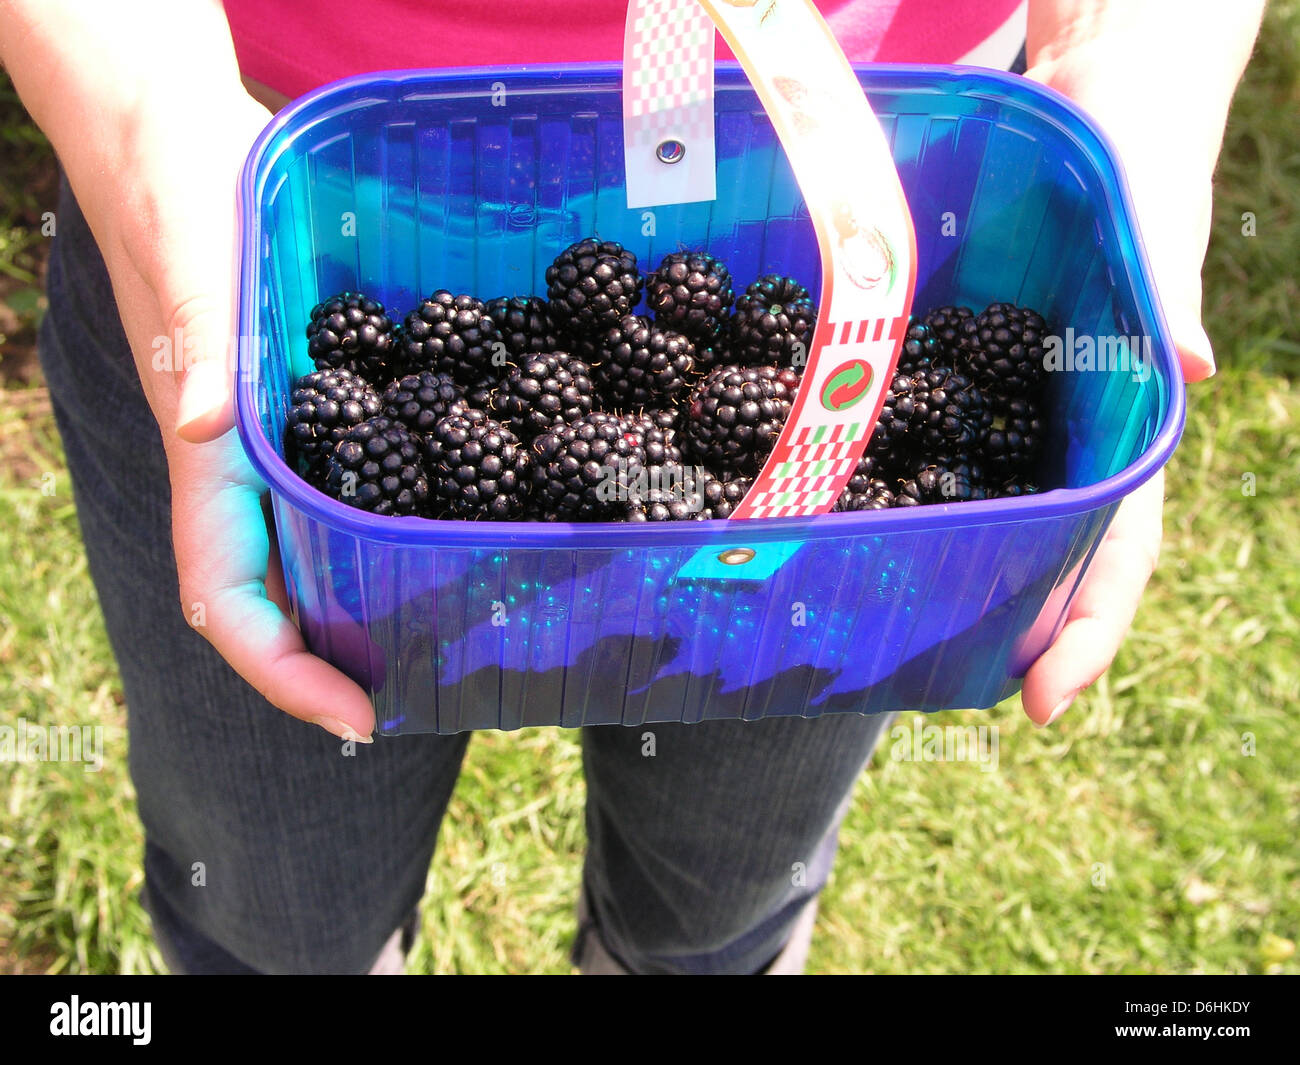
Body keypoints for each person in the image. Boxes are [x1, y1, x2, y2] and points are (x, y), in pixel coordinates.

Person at [0, 0, 1264, 974]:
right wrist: (141, 119)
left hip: (897, 196)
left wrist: (1133, 98)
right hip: (252, 207)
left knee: (716, 916)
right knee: (273, 917)